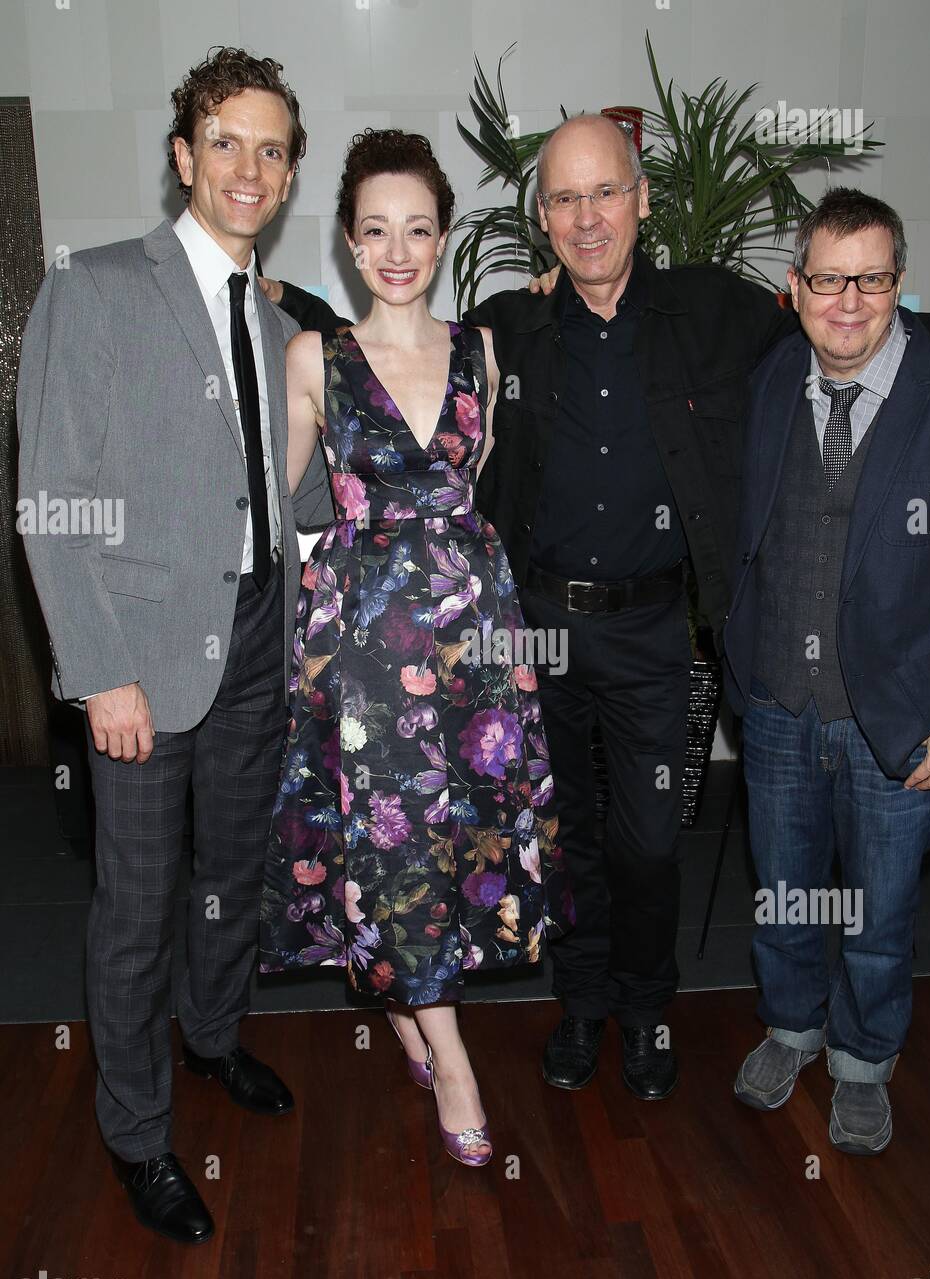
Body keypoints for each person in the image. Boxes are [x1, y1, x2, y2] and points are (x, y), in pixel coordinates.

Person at [266, 112, 930, 1104]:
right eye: (567, 199)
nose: (588, 219)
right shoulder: (509, 325)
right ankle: (582, 1010)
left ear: (642, 198)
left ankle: (648, 1008)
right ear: (543, 219)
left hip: (657, 627)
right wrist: (278, 298)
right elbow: (377, 356)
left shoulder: (715, 307)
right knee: (564, 832)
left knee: (651, 839)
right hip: (531, 627)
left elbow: (848, 311)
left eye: (606, 192)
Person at [16, 47, 328, 1243]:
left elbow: (277, 494)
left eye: (272, 148)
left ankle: (212, 1041)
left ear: (289, 172)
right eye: (226, 142)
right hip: (140, 656)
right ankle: (138, 1134)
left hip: (257, 636)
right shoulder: (93, 290)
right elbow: (53, 502)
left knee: (230, 880)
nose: (249, 167)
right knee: (137, 909)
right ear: (183, 155)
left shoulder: (283, 319)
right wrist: (99, 672)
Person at [258, 129, 572, 1166]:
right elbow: (267, 508)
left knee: (451, 843)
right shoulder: (315, 356)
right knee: (389, 843)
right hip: (362, 647)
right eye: (376, 230)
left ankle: (405, 1007)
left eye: (419, 228)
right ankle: (455, 1062)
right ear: (349, 241)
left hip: (475, 639)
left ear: (442, 237)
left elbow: (477, 493)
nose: (398, 250)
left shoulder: (484, 348)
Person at [723, 187, 930, 1153]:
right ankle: (791, 1027)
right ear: (794, 287)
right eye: (827, 279)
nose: (847, 301)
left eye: (871, 278)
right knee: (783, 893)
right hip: (774, 704)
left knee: (879, 912)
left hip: (901, 721)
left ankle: (862, 1059)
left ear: (900, 284)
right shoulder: (773, 382)